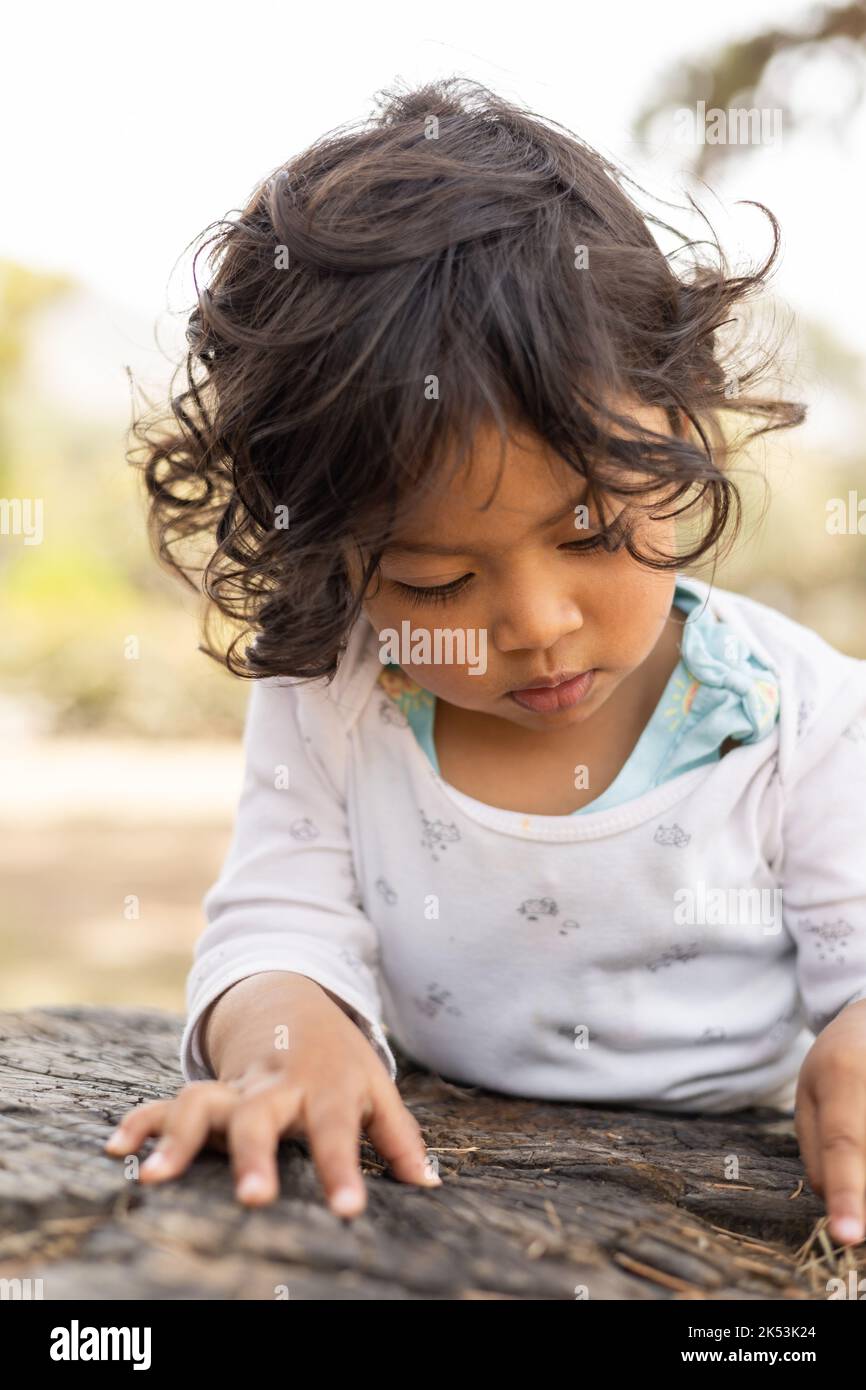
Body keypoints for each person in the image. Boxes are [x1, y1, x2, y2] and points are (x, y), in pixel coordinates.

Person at [112, 77, 866, 1245]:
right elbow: (277, 920)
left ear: (687, 420)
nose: (536, 623)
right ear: (335, 564)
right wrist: (284, 1040)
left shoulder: (792, 715)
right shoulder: (340, 693)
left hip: (729, 1189)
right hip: (446, 1196)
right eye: (432, 582)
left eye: (592, 532)